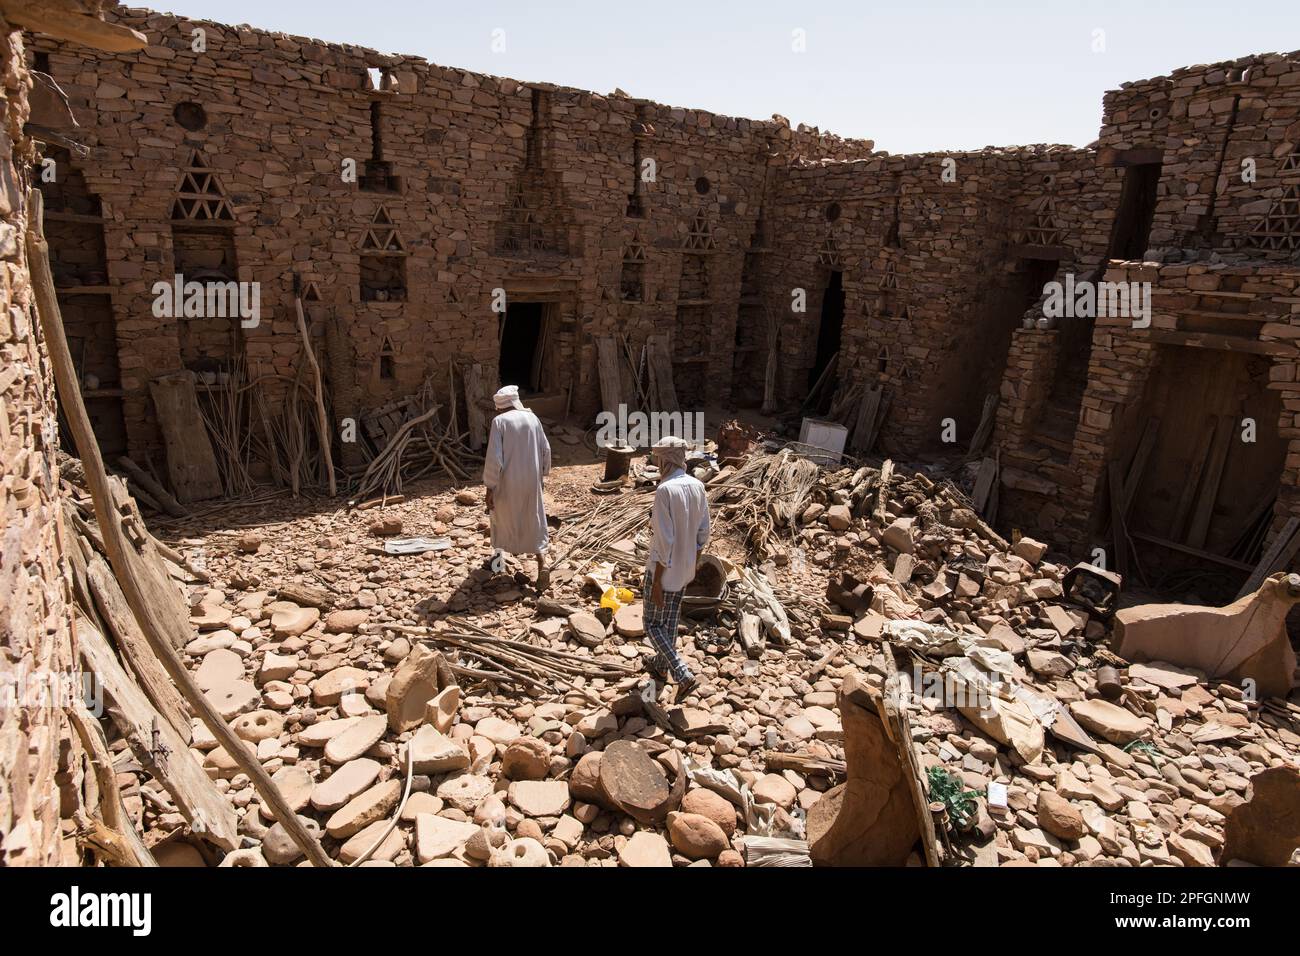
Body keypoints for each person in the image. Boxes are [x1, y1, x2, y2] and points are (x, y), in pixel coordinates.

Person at [643, 435, 710, 703]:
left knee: (651, 624)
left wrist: (657, 581)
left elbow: (663, 541)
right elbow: (704, 532)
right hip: (685, 568)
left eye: (658, 459)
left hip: (664, 570)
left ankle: (682, 673)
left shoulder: (665, 490)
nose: (657, 464)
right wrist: (691, 563)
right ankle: (660, 666)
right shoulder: (697, 486)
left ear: (665, 460)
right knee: (669, 621)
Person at [482, 385, 552, 591]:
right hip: (531, 480)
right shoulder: (533, 418)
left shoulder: (499, 422)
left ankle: (497, 565)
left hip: (507, 482)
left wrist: (489, 487)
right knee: (534, 518)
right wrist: (542, 475)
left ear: (500, 407)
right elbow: (545, 449)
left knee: (499, 518)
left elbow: (495, 459)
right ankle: (543, 563)